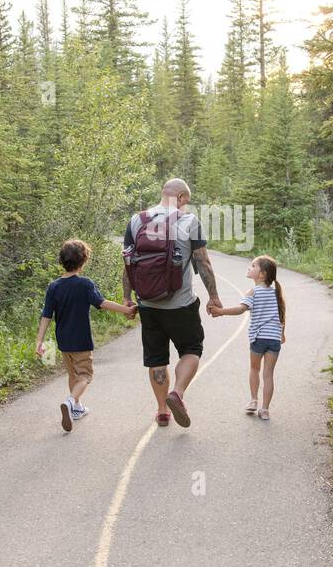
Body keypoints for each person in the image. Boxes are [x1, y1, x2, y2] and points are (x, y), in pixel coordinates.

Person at [121, 178, 222, 428]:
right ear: (180, 198)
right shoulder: (189, 222)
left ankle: (162, 411)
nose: (185, 208)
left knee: (156, 359)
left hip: (148, 305)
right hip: (181, 305)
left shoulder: (137, 221)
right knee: (192, 349)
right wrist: (214, 296)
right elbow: (203, 262)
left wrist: (127, 297)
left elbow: (128, 264)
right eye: (185, 202)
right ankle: (176, 392)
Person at [36, 239, 136, 432]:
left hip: (64, 341)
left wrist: (39, 341)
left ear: (61, 261)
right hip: (81, 340)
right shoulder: (85, 284)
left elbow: (46, 315)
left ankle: (77, 408)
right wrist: (126, 310)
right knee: (85, 376)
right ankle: (71, 401)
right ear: (84, 261)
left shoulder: (54, 287)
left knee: (72, 374)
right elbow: (101, 302)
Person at [209, 255, 286, 420]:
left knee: (254, 369)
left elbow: (240, 309)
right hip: (273, 338)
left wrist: (221, 311)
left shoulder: (253, 291)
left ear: (262, 274)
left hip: (258, 338)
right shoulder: (275, 292)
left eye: (253, 266)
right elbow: (281, 314)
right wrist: (282, 333)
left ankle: (253, 401)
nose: (248, 268)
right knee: (268, 374)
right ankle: (265, 409)